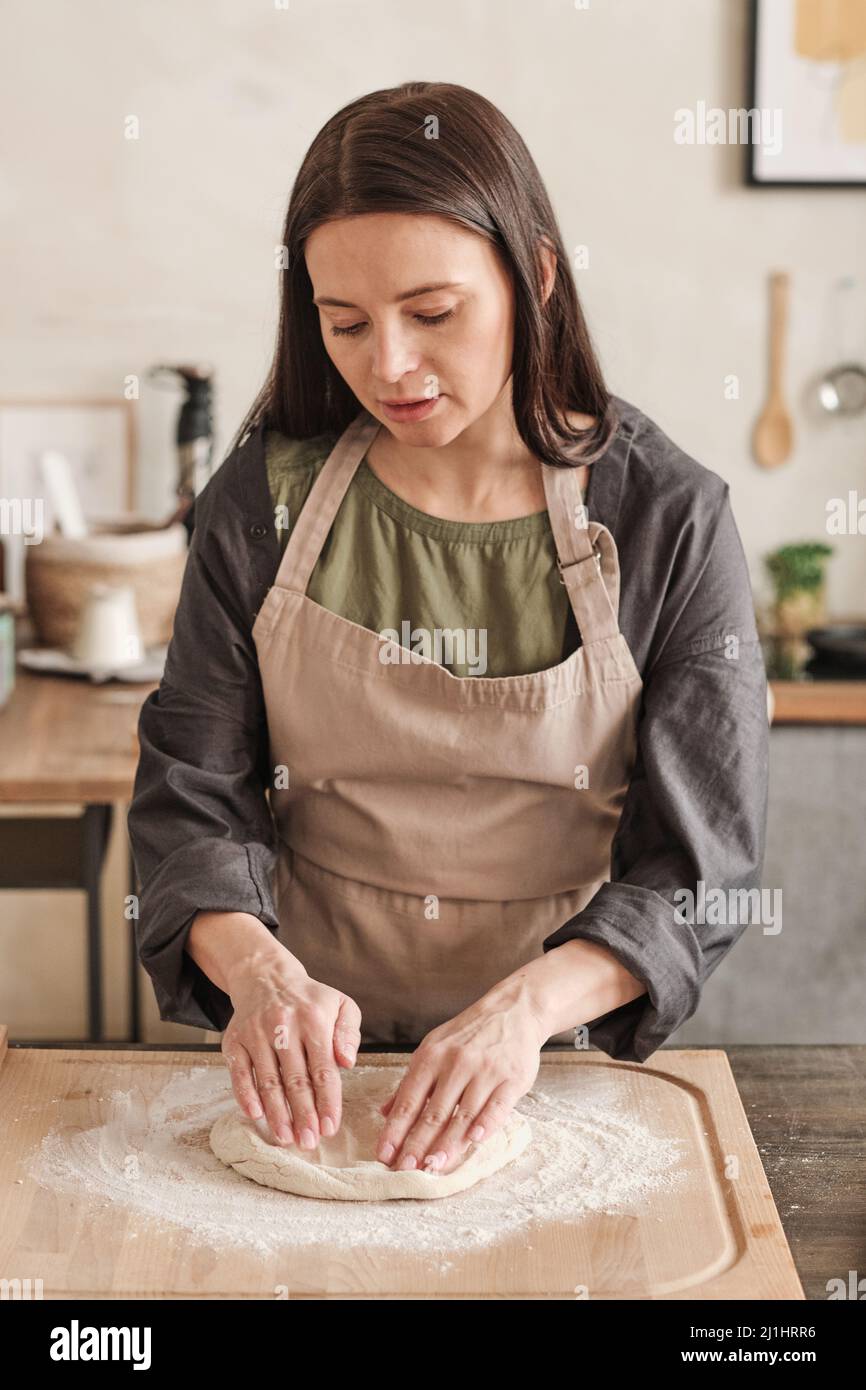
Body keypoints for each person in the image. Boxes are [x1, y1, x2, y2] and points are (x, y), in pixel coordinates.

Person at [127, 81, 769, 1179]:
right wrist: (263, 980)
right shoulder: (259, 502)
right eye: (344, 323)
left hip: (559, 1070)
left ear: (536, 278)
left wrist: (519, 1014)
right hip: (287, 1072)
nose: (387, 366)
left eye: (433, 313)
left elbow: (697, 867)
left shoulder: (666, 516)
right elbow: (191, 794)